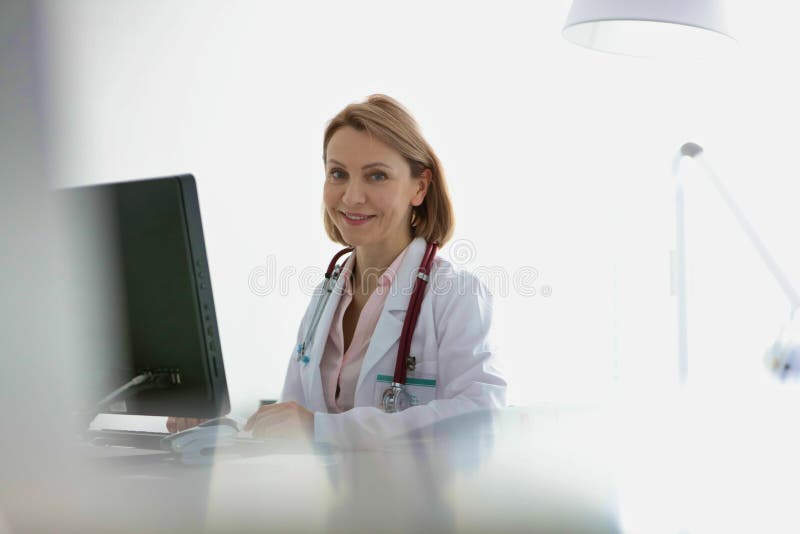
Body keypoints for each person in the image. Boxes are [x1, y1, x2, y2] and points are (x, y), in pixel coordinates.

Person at [169, 94, 506, 447]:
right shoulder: (327, 294)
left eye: (376, 175)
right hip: (326, 498)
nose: (352, 196)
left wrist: (325, 430)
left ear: (419, 187)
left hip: (412, 498)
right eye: (338, 174)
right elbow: (293, 417)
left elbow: (479, 414)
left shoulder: (455, 294)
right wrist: (223, 424)